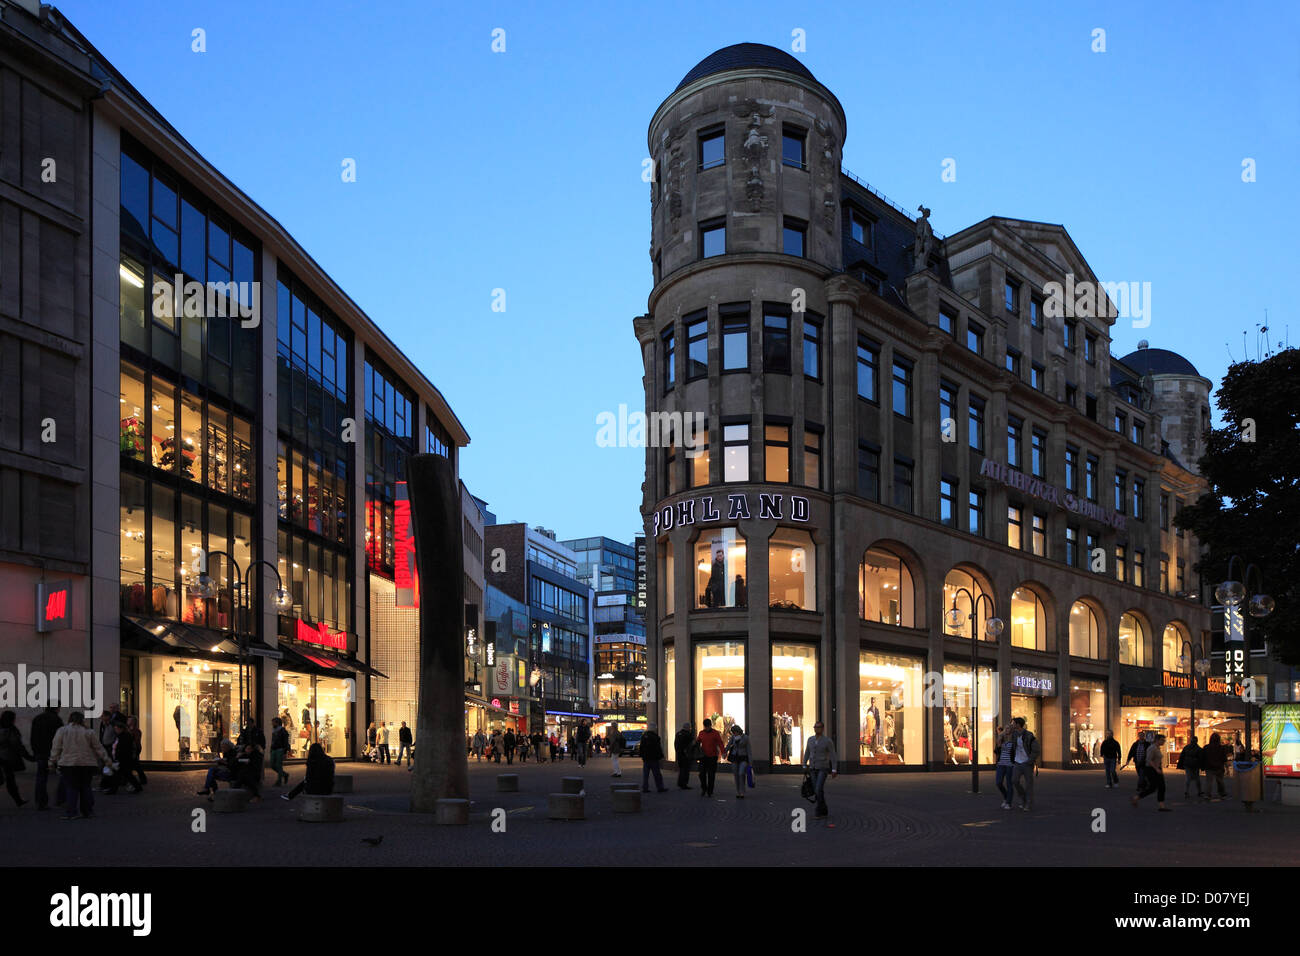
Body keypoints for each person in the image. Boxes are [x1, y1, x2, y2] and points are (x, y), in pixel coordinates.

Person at [48, 711, 110, 820]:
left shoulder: (62, 731)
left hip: (68, 764)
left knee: (71, 788)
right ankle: (87, 811)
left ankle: (72, 812)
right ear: (82, 720)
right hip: (87, 763)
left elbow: (56, 748)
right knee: (86, 787)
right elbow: (98, 748)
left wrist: (52, 761)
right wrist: (107, 760)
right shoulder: (89, 732)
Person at [801, 720, 838, 817]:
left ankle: (818, 810)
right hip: (812, 769)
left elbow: (833, 756)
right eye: (815, 727)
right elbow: (807, 753)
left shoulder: (827, 741)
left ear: (822, 729)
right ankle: (824, 809)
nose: (816, 729)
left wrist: (834, 769)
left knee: (818, 789)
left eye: (818, 727)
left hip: (823, 768)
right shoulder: (810, 739)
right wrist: (804, 764)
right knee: (818, 790)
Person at [0, 710, 37, 806]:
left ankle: (18, 800)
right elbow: (18, 746)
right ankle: (18, 800)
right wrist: (29, 757)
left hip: (3, 758)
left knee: (8, 780)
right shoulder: (11, 730)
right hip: (6, 759)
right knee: (9, 780)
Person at [30, 706, 63, 810]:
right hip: (53, 752)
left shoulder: (37, 718)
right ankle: (60, 799)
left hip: (40, 752)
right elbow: (60, 738)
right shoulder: (56, 720)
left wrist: (35, 752)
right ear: (56, 708)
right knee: (64, 774)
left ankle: (41, 802)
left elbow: (33, 737)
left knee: (41, 777)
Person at [103, 717, 142, 795]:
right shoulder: (122, 736)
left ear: (121, 729)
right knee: (126, 774)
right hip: (123, 759)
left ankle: (113, 789)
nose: (115, 730)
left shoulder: (125, 736)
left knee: (120, 774)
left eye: (116, 729)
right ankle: (137, 787)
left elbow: (123, 748)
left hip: (123, 759)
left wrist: (117, 756)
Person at [1133, 733, 1171, 811]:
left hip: (1157, 769)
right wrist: (1156, 769)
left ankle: (1161, 805)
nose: (1163, 742)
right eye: (1162, 740)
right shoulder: (1152, 748)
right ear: (1157, 740)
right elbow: (1149, 760)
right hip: (1151, 770)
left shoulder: (1157, 748)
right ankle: (1136, 798)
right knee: (1153, 787)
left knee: (1160, 787)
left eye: (1164, 740)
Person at [1009, 717, 1037, 810]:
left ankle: (1028, 804)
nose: (1012, 725)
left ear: (1018, 724)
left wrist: (1030, 760)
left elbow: (1036, 749)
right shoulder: (1014, 735)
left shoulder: (1029, 735)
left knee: (1029, 784)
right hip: (1017, 762)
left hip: (1026, 762)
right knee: (1014, 780)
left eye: (1013, 723)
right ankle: (1023, 797)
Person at [695, 718, 725, 797]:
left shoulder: (715, 733)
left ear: (710, 725)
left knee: (711, 775)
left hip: (713, 756)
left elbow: (720, 743)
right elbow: (697, 742)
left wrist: (723, 752)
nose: (707, 728)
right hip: (703, 757)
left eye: (708, 726)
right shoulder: (701, 733)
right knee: (701, 774)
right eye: (705, 726)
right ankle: (704, 788)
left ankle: (710, 791)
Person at [640, 725, 668, 793]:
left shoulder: (643, 736)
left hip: (646, 758)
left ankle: (645, 788)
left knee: (646, 774)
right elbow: (657, 748)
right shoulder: (655, 737)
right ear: (654, 729)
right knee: (657, 774)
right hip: (653, 758)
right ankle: (660, 787)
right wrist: (661, 756)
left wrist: (642, 756)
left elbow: (641, 747)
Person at [726, 724, 752, 799]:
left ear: (739, 731)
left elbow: (749, 750)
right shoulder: (733, 737)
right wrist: (724, 752)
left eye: (735, 732)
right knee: (736, 774)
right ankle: (738, 791)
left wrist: (750, 762)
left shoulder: (745, 738)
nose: (734, 733)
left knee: (741, 773)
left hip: (743, 758)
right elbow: (728, 745)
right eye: (733, 732)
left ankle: (742, 791)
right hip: (734, 757)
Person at [993, 725, 1015, 808]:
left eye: (1008, 728)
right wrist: (998, 743)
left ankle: (1008, 803)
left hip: (1010, 765)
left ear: (1011, 730)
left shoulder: (1014, 741)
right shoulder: (1001, 739)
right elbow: (996, 751)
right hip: (1001, 764)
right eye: (1006, 729)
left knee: (1009, 784)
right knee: (998, 783)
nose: (1006, 730)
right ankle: (1006, 797)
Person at [1203, 732, 1229, 800]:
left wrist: (1203, 766)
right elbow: (1224, 758)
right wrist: (1227, 768)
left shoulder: (1206, 747)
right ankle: (1222, 793)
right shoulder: (1221, 748)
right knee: (1220, 781)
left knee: (1209, 781)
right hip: (1219, 767)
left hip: (1209, 767)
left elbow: (1203, 757)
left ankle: (1207, 794)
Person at [126, 716, 147, 789]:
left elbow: (136, 741)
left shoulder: (136, 731)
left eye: (129, 720)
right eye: (128, 720)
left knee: (135, 765)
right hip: (132, 749)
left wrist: (135, 750)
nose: (128, 721)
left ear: (133, 722)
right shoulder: (128, 730)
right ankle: (142, 779)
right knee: (136, 765)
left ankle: (140, 780)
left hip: (134, 749)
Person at [268, 717, 290, 786]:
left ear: (277, 723)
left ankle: (279, 780)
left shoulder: (282, 730)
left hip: (280, 749)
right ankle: (284, 774)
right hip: (274, 749)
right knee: (272, 765)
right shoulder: (274, 730)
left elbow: (285, 741)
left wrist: (285, 751)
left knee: (278, 765)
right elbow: (273, 740)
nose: (272, 724)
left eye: (273, 722)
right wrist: (271, 749)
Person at [674, 721, 696, 789]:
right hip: (686, 755)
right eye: (690, 727)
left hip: (679, 754)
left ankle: (680, 782)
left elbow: (675, 745)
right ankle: (684, 784)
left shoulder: (678, 734)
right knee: (686, 770)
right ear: (688, 728)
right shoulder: (688, 735)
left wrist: (678, 752)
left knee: (681, 769)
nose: (690, 728)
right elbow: (692, 745)